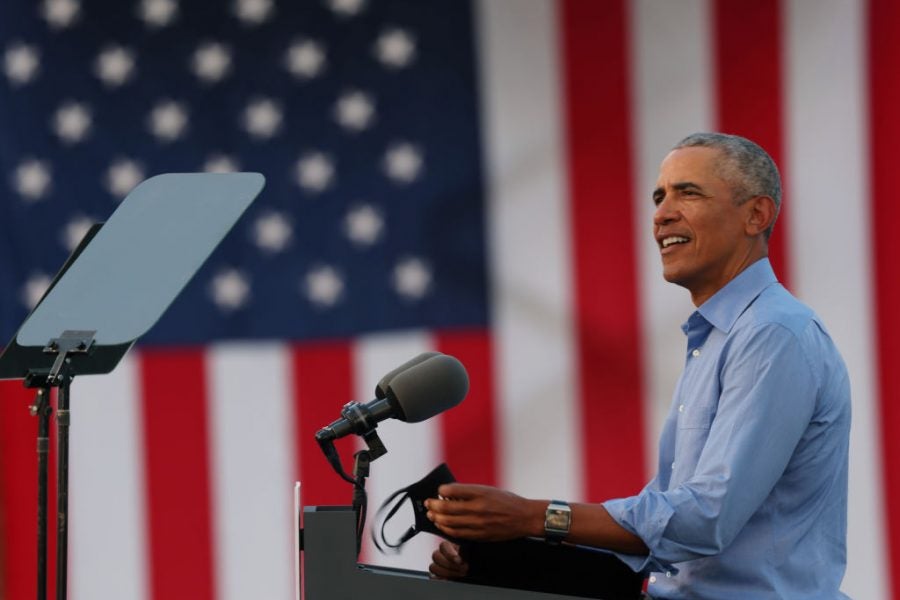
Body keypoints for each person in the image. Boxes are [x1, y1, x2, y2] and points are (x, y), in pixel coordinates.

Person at [425, 132, 851, 599]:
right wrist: (496, 556)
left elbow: (705, 518)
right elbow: (660, 533)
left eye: (688, 192)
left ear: (756, 215)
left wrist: (532, 515)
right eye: (659, 196)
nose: (662, 213)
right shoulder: (718, 339)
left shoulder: (773, 334)